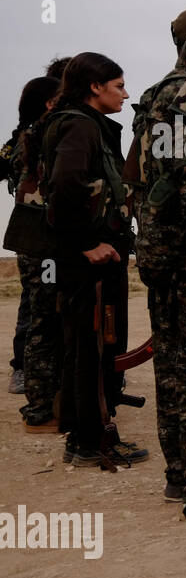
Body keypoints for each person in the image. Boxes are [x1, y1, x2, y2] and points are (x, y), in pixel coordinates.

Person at [123, 6, 186, 508]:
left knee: (175, 368)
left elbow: (139, 177)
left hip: (164, 253)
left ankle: (184, 473)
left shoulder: (153, 97)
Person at [38, 53, 145, 467]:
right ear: (95, 87)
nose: (125, 93)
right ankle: (91, 441)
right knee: (93, 349)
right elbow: (65, 184)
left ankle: (84, 436)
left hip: (95, 256)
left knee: (89, 346)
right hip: (91, 262)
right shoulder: (80, 125)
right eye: (118, 85)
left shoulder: (80, 123)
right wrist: (87, 243)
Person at [3, 75, 61, 416]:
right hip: (38, 231)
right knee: (38, 308)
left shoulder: (34, 133)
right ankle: (25, 372)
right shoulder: (33, 135)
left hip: (33, 233)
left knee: (38, 306)